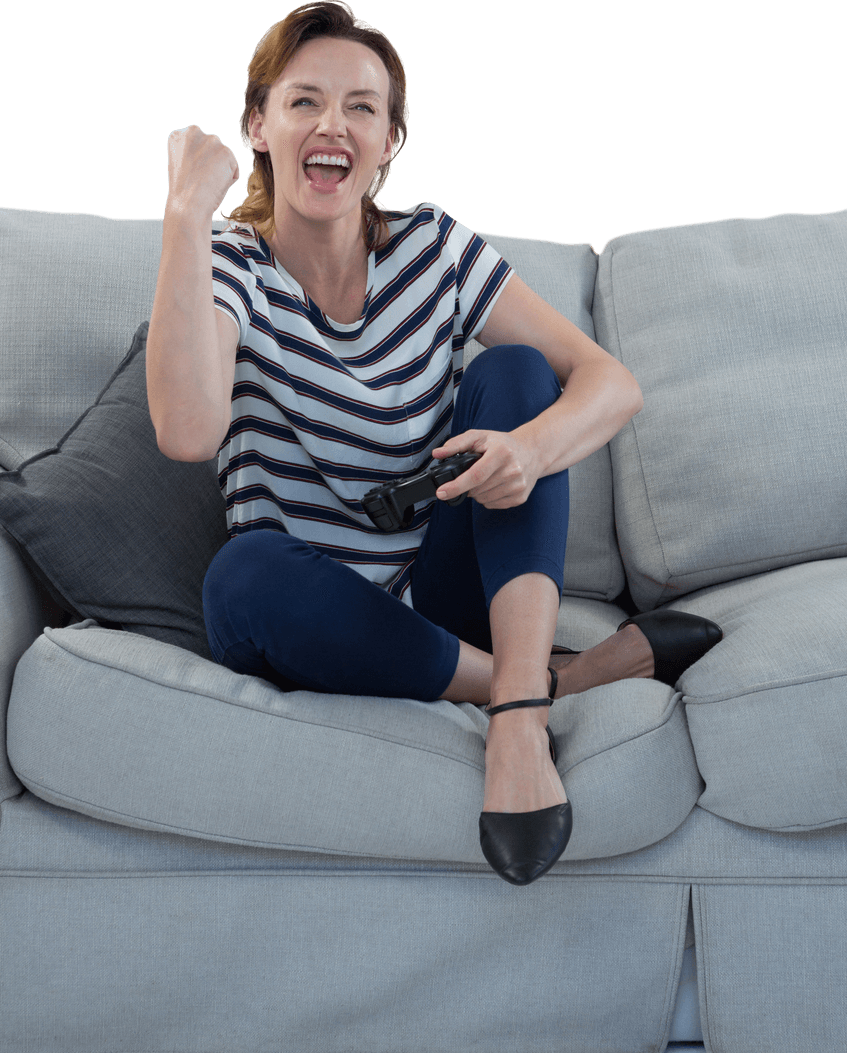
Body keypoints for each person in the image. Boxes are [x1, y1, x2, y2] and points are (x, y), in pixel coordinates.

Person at [146, 0, 722, 887]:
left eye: (361, 107)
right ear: (258, 126)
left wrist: (527, 453)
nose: (332, 124)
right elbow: (186, 433)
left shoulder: (435, 248)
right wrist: (186, 208)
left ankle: (517, 720)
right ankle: (552, 681)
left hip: (445, 594)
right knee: (242, 575)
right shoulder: (228, 266)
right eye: (303, 102)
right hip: (312, 616)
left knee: (522, 375)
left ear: (387, 142)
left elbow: (611, 383)